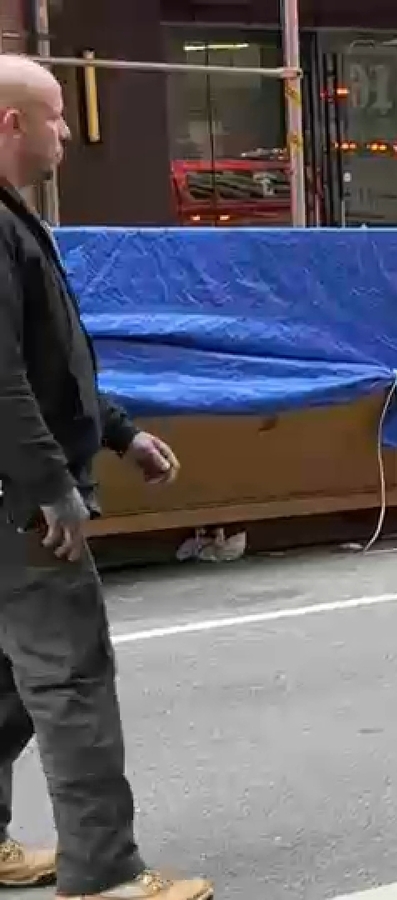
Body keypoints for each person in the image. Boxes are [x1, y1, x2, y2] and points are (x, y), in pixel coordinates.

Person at [0, 56, 211, 900]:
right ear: (12, 124)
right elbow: (3, 379)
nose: (65, 134)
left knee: (12, 682)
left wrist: (118, 432)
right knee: (71, 680)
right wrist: (51, 487)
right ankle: (104, 872)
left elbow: (54, 363)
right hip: (20, 504)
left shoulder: (15, 223)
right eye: (54, 117)